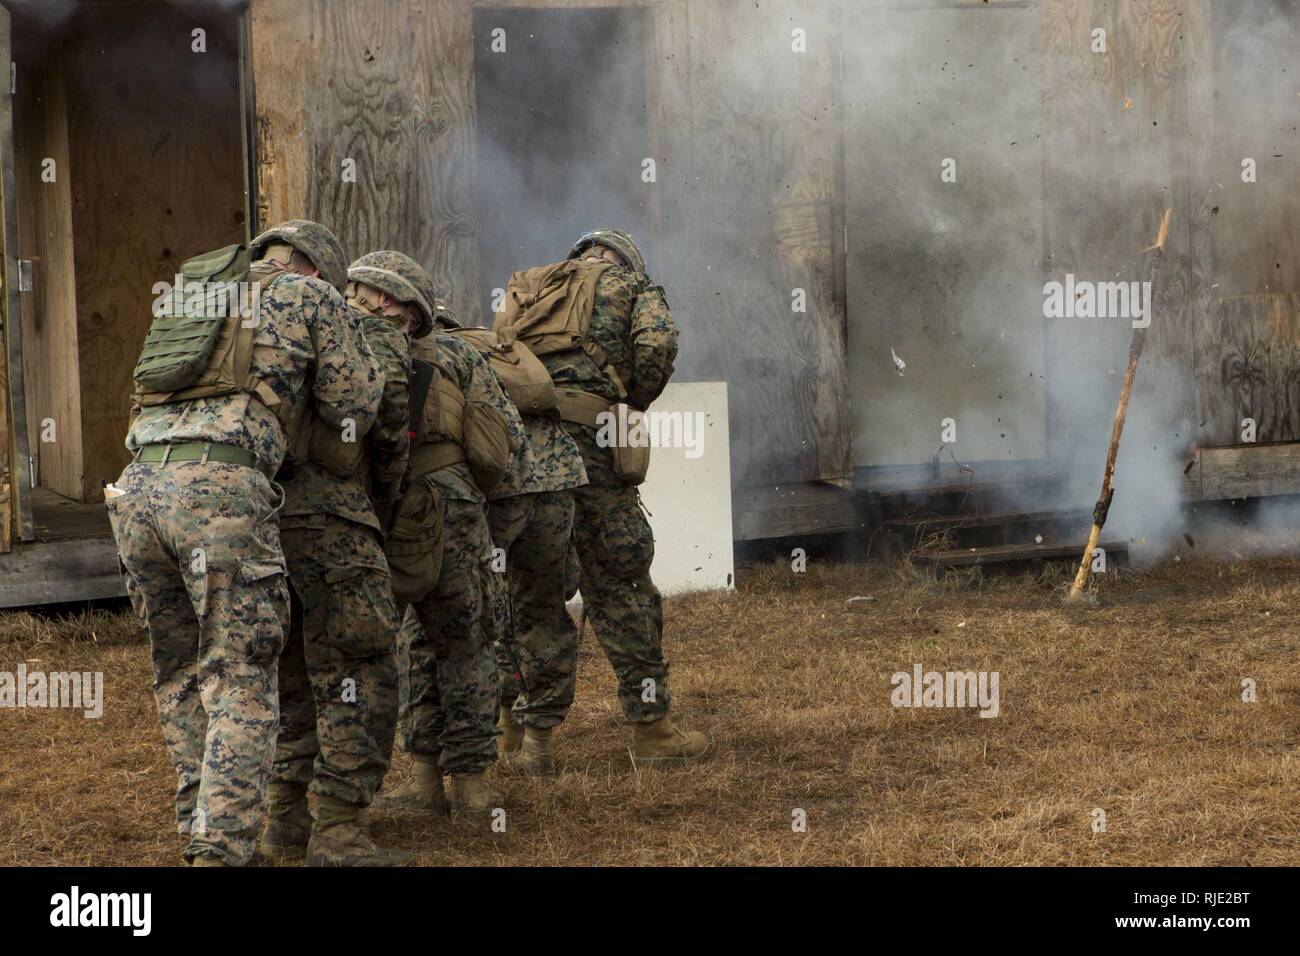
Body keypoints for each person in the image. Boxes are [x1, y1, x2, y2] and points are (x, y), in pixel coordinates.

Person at [108, 221, 379, 865]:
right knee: (240, 676)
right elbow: (351, 406)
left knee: (179, 673)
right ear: (317, 268)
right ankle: (221, 851)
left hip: (138, 487)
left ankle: (204, 829)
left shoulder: (198, 291)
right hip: (222, 489)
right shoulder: (311, 297)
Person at [261, 250, 432, 866]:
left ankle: (281, 820)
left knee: (287, 668)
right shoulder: (363, 332)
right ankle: (339, 833)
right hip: (332, 521)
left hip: (254, 516)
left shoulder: (253, 316)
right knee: (359, 670)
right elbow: (387, 433)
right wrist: (376, 509)